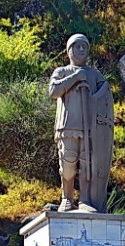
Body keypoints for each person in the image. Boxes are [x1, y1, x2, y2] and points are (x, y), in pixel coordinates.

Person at [49, 34, 114, 213]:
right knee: (68, 163)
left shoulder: (95, 75)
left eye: (84, 47)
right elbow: (54, 91)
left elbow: (105, 96)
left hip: (90, 127)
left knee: (87, 164)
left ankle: (85, 199)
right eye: (77, 47)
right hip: (68, 125)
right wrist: (76, 78)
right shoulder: (61, 71)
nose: (81, 50)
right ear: (69, 50)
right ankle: (67, 198)